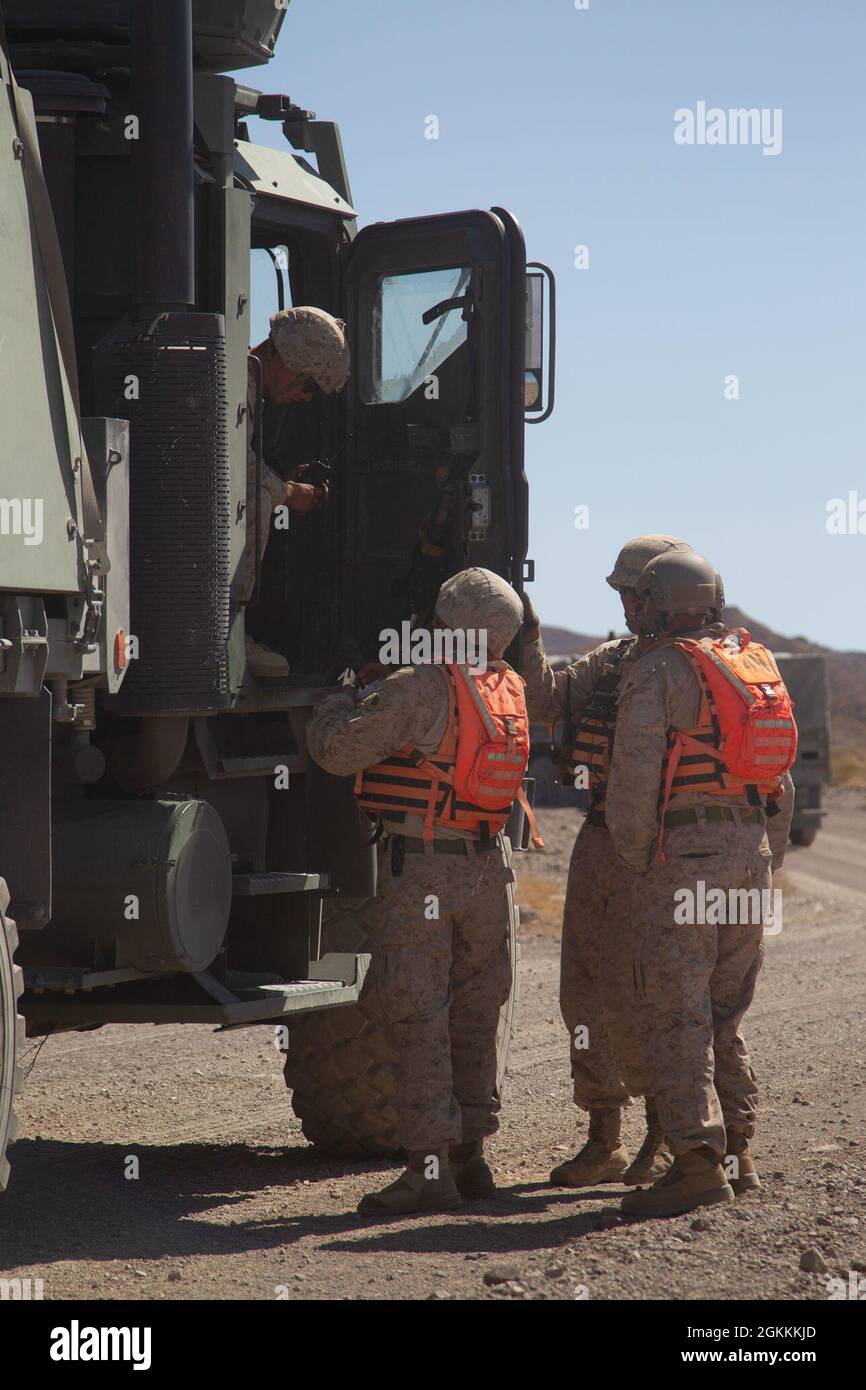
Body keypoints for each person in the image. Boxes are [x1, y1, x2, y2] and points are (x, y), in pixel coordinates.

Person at [305, 568, 529, 1216]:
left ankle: (428, 1173)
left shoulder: (420, 685)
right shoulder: (508, 687)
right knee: (473, 1016)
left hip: (425, 872)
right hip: (488, 871)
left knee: (417, 1016)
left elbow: (338, 752)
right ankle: (471, 1160)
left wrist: (340, 696)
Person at [604, 550, 795, 1218]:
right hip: (751, 853)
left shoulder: (658, 671)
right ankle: (738, 1155)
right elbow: (782, 785)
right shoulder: (753, 665)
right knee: (725, 1012)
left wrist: (635, 862)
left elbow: (632, 784)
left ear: (655, 602)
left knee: (676, 1013)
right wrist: (765, 858)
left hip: (686, 861)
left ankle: (693, 1163)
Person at [520, 536, 694, 1187]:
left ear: (662, 597)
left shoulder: (697, 666)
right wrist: (525, 629)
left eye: (634, 593)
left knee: (648, 991)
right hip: (600, 840)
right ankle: (604, 1136)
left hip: (659, 846)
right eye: (619, 592)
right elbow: (546, 701)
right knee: (584, 988)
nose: (623, 604)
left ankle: (666, 1132)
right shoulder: (615, 659)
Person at [244, 307, 350, 681]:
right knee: (257, 498)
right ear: (289, 361)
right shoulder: (236, 383)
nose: (306, 398)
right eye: (308, 385)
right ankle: (224, 632)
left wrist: (281, 485)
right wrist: (286, 492)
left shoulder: (247, 384)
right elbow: (228, 466)